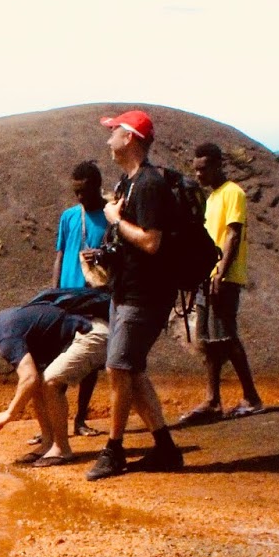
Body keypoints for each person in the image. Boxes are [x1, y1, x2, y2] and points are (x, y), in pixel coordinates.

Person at [82, 110, 184, 480]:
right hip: (127, 290)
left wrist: (115, 222)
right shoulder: (129, 184)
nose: (108, 139)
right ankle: (166, 450)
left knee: (118, 367)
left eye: (113, 132)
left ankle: (114, 451)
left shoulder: (150, 185)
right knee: (132, 369)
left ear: (130, 138)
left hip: (145, 294)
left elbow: (151, 242)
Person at [0, 299, 109, 468]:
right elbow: (32, 379)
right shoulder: (1, 328)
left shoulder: (4, 337)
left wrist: (10, 413)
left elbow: (29, 378)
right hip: (85, 333)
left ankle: (62, 449)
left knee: (50, 382)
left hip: (92, 334)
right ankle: (47, 442)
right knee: (38, 386)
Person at [175, 142, 264, 425]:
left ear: (217, 165)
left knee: (226, 337)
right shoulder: (210, 198)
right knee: (208, 341)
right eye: (195, 170)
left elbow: (232, 234)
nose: (198, 175)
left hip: (223, 277)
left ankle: (251, 397)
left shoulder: (232, 193)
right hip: (206, 276)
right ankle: (212, 400)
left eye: (203, 169)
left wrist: (221, 272)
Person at [52, 161, 111, 437]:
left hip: (96, 298)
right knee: (59, 356)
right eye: (76, 192)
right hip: (66, 297)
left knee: (90, 360)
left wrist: (100, 256)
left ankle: (80, 420)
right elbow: (60, 255)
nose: (79, 198)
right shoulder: (68, 216)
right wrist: (53, 294)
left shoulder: (111, 218)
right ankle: (54, 421)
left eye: (84, 192)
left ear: (98, 187)